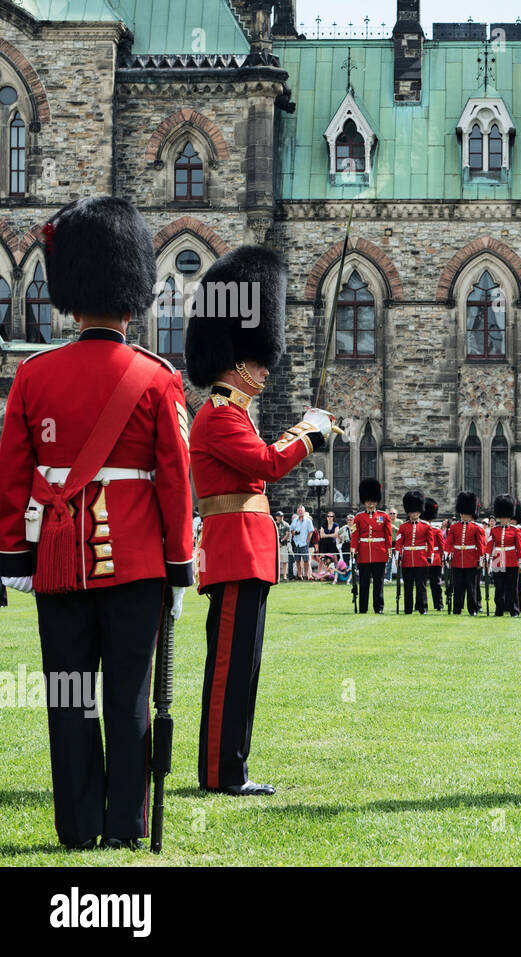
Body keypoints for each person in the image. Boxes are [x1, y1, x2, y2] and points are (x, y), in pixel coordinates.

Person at [0, 196, 193, 848]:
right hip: (137, 565)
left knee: (70, 699)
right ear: (133, 295)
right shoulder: (158, 379)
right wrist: (178, 567)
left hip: (55, 563)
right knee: (128, 699)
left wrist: (14, 558)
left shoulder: (34, 375)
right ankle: (125, 827)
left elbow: (12, 479)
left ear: (72, 295)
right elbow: (174, 484)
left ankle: (78, 828)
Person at [186, 244, 335, 797]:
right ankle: (221, 772)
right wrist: (307, 431)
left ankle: (232, 767)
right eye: (259, 360)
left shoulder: (235, 414)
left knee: (242, 669)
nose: (266, 369)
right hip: (232, 553)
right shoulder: (218, 416)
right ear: (237, 361)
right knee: (228, 667)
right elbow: (266, 465)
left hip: (247, 552)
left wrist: (304, 431)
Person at [349, 480, 390, 612]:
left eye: (372, 501)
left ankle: (379, 607)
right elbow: (355, 535)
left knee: (379, 582)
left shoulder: (384, 516)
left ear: (377, 501)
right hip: (364, 553)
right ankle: (363, 608)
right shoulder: (359, 517)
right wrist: (353, 549)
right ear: (364, 501)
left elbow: (388, 535)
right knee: (364, 582)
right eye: (368, 501)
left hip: (379, 552)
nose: (370, 504)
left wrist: (388, 550)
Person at [446, 491, 487, 614]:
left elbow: (481, 545)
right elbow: (449, 542)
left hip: (471, 559)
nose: (464, 516)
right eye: (463, 513)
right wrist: (446, 554)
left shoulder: (477, 528)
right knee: (458, 586)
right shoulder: (454, 527)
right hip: (458, 559)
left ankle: (472, 608)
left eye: (467, 513)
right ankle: (457, 608)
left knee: (471, 587)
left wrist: (481, 558)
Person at [396, 490, 434, 614]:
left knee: (421, 586)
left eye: (416, 511)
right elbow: (399, 543)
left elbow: (430, 543)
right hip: (407, 560)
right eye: (412, 512)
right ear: (409, 512)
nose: (414, 514)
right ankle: (408, 609)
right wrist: (398, 557)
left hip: (421, 559)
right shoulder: (403, 527)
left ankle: (423, 608)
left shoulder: (426, 526)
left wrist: (429, 557)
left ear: (420, 511)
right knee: (407, 587)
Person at [489, 494, 521, 617]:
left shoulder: (516, 530)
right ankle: (499, 610)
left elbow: (520, 548)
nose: (504, 520)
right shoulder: (494, 530)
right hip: (498, 558)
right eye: (502, 517)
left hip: (512, 559)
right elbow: (490, 544)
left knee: (512, 588)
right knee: (499, 587)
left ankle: (513, 610)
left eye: (506, 517)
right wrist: (485, 556)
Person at [421, 499, 444, 611]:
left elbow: (442, 547)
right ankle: (421, 604)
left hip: (434, 560)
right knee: (421, 584)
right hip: (421, 559)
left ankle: (438, 604)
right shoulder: (419, 529)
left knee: (436, 584)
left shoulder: (436, 530)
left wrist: (443, 559)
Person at [275, 511, 291, 582]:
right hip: (275, 545)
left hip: (283, 544)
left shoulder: (286, 524)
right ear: (276, 517)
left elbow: (287, 534)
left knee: (285, 561)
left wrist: (281, 541)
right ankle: (276, 575)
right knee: (276, 561)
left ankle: (284, 575)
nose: (281, 517)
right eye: (279, 516)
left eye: (282, 516)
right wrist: (277, 542)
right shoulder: (274, 524)